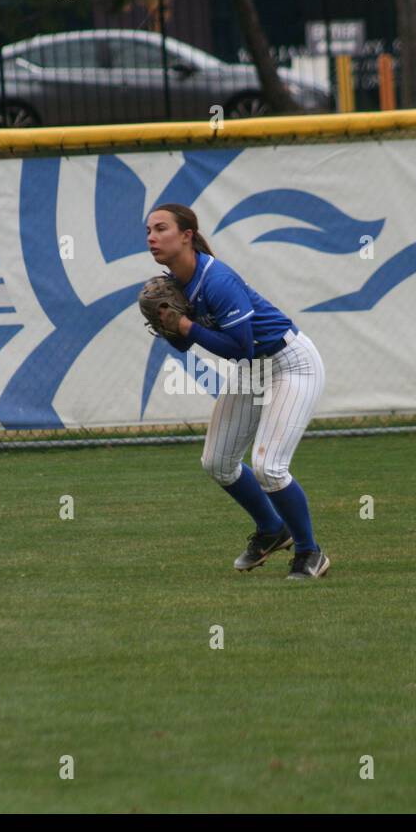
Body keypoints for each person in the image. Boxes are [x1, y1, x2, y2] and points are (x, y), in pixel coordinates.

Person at [146, 202, 330, 580]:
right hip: (255, 370)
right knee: (217, 461)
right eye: (148, 231)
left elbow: (239, 347)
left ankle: (310, 552)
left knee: (269, 467)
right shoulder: (175, 283)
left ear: (187, 236)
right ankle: (271, 529)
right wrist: (168, 326)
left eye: (161, 228)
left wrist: (183, 326)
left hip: (290, 363)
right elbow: (187, 345)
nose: (151, 237)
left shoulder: (217, 279)